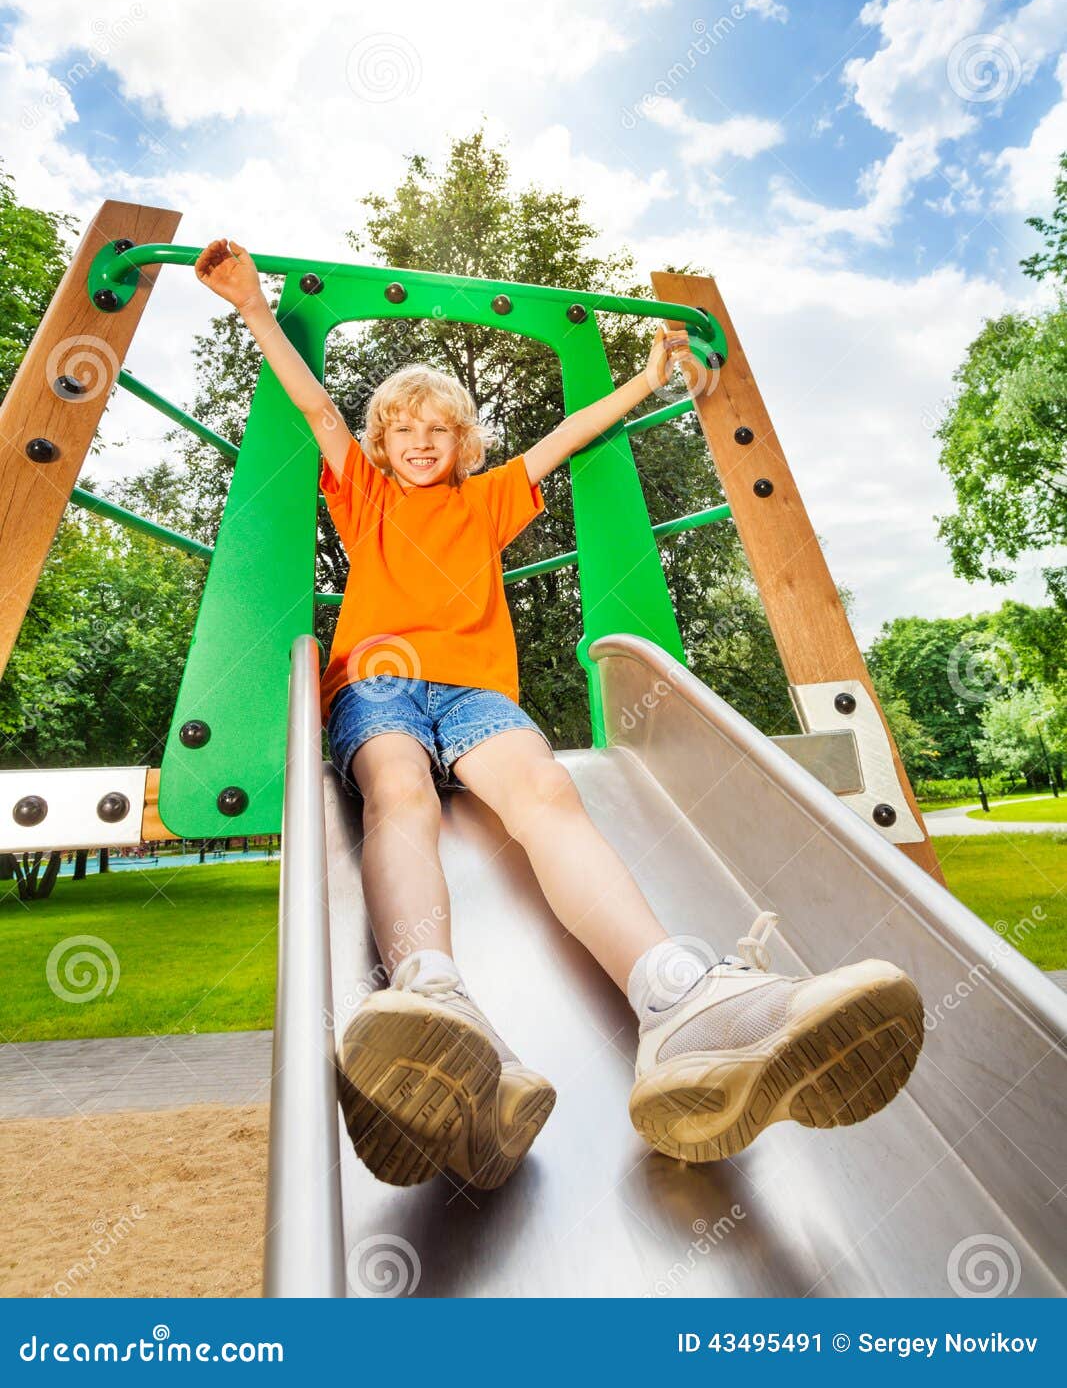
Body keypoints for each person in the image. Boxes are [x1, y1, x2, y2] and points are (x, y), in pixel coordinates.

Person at [195, 238, 925, 1192]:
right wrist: (254, 305)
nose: (420, 443)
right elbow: (312, 404)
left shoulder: (490, 501)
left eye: (439, 431)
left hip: (480, 697)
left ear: (463, 445)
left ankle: (675, 1000)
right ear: (381, 444)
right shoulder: (365, 497)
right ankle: (436, 997)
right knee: (396, 794)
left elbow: (573, 431)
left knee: (544, 794)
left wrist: (652, 375)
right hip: (377, 686)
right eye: (403, 429)